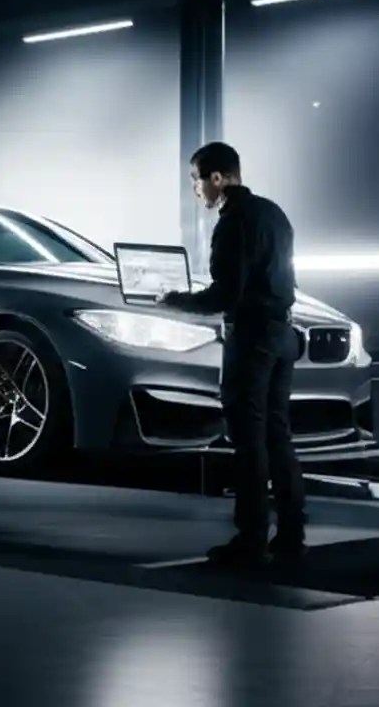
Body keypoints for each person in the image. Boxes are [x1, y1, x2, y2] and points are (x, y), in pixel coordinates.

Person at [159, 141, 306, 567]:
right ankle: (292, 533)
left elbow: (226, 294)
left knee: (247, 439)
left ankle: (251, 538)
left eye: (196, 180)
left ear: (217, 179)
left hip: (252, 338)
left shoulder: (232, 222)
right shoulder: (274, 214)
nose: (195, 190)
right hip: (283, 335)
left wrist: (176, 301)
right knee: (278, 437)